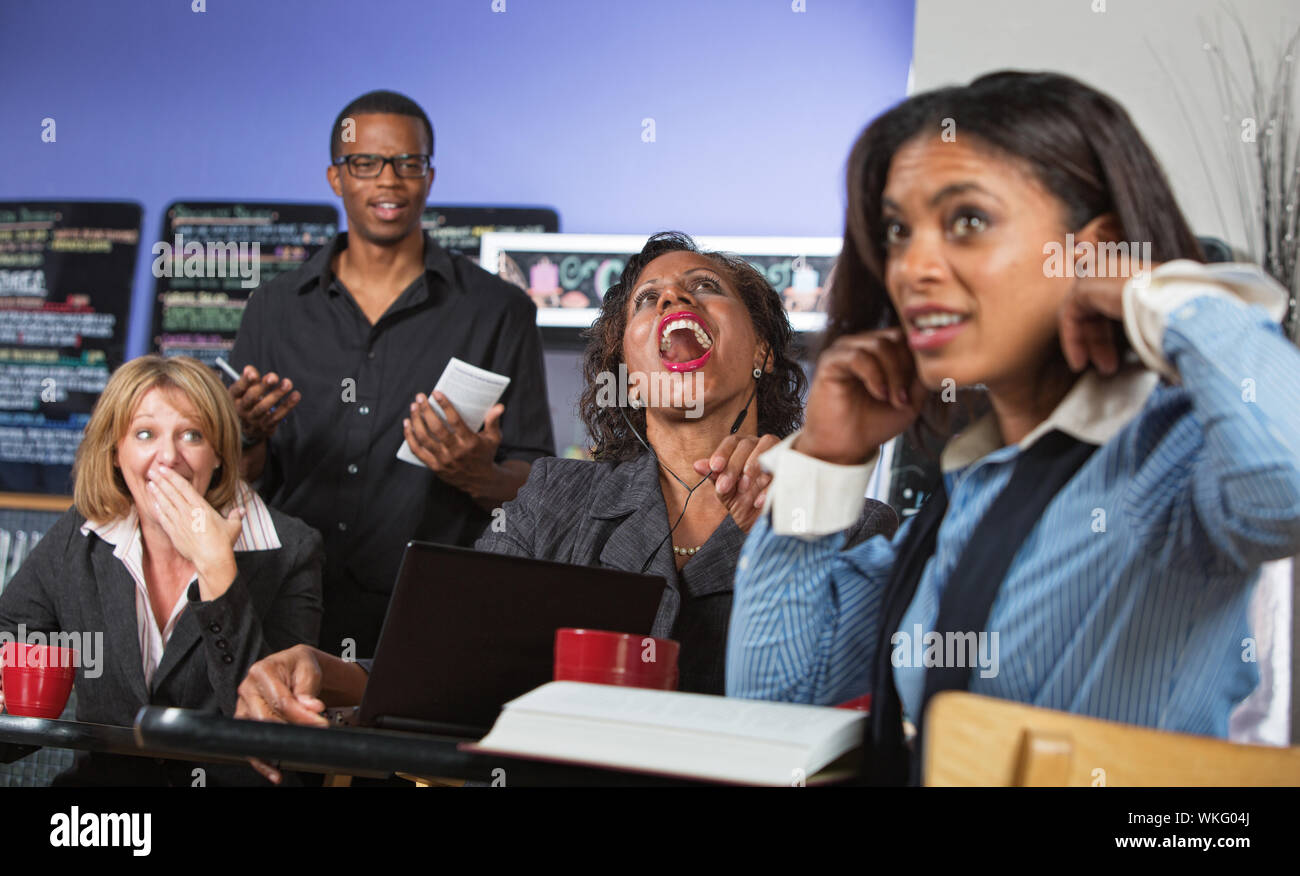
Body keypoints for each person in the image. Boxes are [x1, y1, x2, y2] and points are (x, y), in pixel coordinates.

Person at [727, 70, 1300, 784]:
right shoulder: (964, 495)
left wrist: (1157, 293)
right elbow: (774, 704)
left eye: (966, 220)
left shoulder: (1178, 454)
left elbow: (1290, 484)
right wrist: (827, 461)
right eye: (900, 231)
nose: (912, 268)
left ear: (1096, 251)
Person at [232, 233, 898, 783]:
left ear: (760, 351)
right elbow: (446, 672)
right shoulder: (552, 501)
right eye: (648, 299)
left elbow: (861, 731)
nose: (673, 297)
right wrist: (323, 670)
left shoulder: (854, 524)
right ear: (629, 371)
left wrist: (798, 532)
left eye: (705, 287)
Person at [227, 90, 554, 659]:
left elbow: (537, 485)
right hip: (283, 607)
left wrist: (477, 473)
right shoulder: (273, 309)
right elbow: (244, 476)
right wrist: (245, 436)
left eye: (409, 163)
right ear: (336, 176)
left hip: (432, 619)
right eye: (366, 163)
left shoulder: (498, 310)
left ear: (429, 177)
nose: (390, 180)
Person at [0, 355, 322, 786]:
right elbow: (13, 645)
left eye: (191, 435)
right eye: (145, 433)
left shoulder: (291, 549)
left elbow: (274, 734)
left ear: (221, 455)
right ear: (116, 453)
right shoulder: (80, 536)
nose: (167, 458)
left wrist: (217, 571)